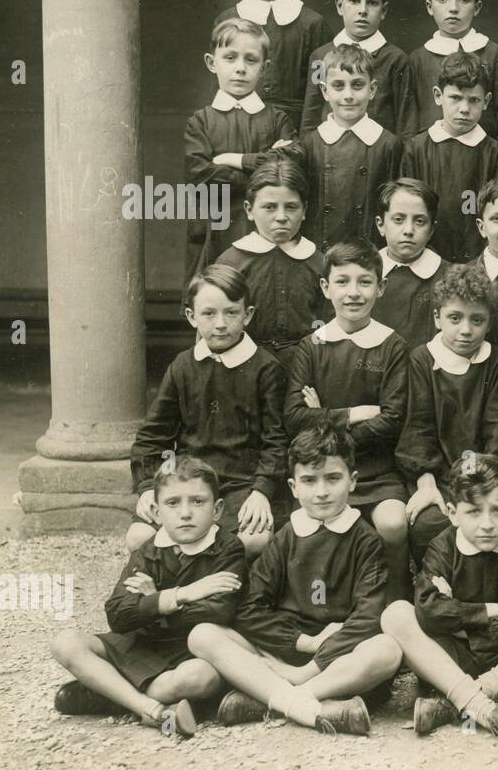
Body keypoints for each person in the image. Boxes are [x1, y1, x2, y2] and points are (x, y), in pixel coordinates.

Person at [187, 423, 401, 735]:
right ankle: (308, 703)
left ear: (352, 482)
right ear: (293, 487)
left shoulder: (366, 540)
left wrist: (310, 668)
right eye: (309, 481)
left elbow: (368, 616)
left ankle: (277, 698)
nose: (322, 491)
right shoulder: (287, 536)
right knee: (203, 635)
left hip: (338, 660)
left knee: (388, 649)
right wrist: (302, 643)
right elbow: (249, 607)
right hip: (285, 652)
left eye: (333, 478)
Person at [380, 454, 498, 747]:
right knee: (395, 614)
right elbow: (428, 611)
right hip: (453, 660)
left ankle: (459, 701)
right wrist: (486, 612)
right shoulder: (443, 546)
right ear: (452, 512)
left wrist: (459, 620)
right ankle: (486, 709)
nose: (487, 524)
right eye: (473, 512)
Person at [50, 459, 246, 739]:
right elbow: (118, 615)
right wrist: (181, 595)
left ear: (217, 510)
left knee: (202, 678)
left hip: (188, 653)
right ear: (156, 510)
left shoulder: (227, 549)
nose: (186, 513)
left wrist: (153, 602)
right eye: (173, 503)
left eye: (198, 502)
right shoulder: (149, 550)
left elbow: (217, 613)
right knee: (65, 642)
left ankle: (110, 694)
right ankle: (148, 707)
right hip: (140, 644)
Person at [127, 264, 285, 559]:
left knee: (254, 538)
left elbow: (277, 441)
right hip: (190, 480)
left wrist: (262, 491)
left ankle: (229, 597)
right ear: (192, 317)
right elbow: (152, 437)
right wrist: (148, 487)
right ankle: (172, 597)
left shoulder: (266, 369)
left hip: (242, 483)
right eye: (209, 314)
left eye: (231, 312)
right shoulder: (182, 367)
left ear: (247, 314)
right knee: (140, 537)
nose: (221, 323)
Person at [284, 240, 410, 599]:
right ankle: (329, 602)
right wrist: (352, 413)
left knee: (392, 523)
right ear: (326, 288)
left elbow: (392, 420)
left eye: (364, 282)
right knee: (319, 526)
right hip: (323, 469)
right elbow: (294, 418)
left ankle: (398, 599)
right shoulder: (312, 346)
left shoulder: (392, 345)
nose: (353, 293)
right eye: (342, 282)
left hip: (377, 471)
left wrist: (322, 417)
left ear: (381, 287)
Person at [396, 264, 498, 573]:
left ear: (489, 323)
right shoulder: (422, 359)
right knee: (429, 523)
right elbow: (418, 428)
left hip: (487, 478)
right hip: (437, 478)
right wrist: (426, 483)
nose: (466, 330)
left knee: (489, 520)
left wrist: (481, 490)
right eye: (455, 318)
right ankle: (439, 590)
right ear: (437, 318)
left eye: (476, 320)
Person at [184, 17, 296, 279]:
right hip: (215, 227)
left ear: (264, 67)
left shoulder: (277, 119)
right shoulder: (200, 122)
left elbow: (288, 167)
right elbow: (200, 175)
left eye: (251, 59)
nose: (241, 68)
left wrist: (235, 160)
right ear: (212, 63)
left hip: (266, 227)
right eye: (230, 58)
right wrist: (263, 172)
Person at [215, 157, 328, 371]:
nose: (281, 217)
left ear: (304, 210)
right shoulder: (231, 262)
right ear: (249, 209)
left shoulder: (318, 262)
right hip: (245, 368)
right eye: (269, 207)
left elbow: (326, 323)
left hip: (306, 368)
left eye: (291, 207)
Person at [213, 0, 332, 122]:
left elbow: (320, 88)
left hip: (294, 130)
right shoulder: (227, 20)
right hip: (239, 124)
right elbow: (218, 85)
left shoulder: (313, 24)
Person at [398, 53, 498, 264]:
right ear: (438, 96)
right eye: (455, 98)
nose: (464, 109)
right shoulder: (416, 149)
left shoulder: (494, 153)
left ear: (486, 101)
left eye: (474, 100)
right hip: (425, 257)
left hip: (478, 257)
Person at [294, 44, 402, 251]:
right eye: (338, 86)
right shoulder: (310, 144)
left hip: (370, 253)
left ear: (373, 90)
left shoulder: (389, 144)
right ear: (325, 91)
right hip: (320, 252)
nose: (348, 95)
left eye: (358, 85)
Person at [402, 0, 498, 145]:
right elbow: (409, 122)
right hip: (430, 155)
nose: (453, 8)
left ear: (477, 7)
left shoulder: (493, 53)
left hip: (484, 155)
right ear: (430, 7)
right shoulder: (417, 59)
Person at [299, 0, 410, 135]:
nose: (363, 11)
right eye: (354, 1)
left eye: (372, 3)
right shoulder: (320, 57)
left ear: (384, 10)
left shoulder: (396, 60)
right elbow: (311, 113)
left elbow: (405, 121)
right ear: (339, 5)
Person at [371, 177, 450, 348]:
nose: (408, 230)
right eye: (398, 219)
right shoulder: (364, 273)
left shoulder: (449, 276)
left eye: (419, 221)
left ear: (431, 230)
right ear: (381, 225)